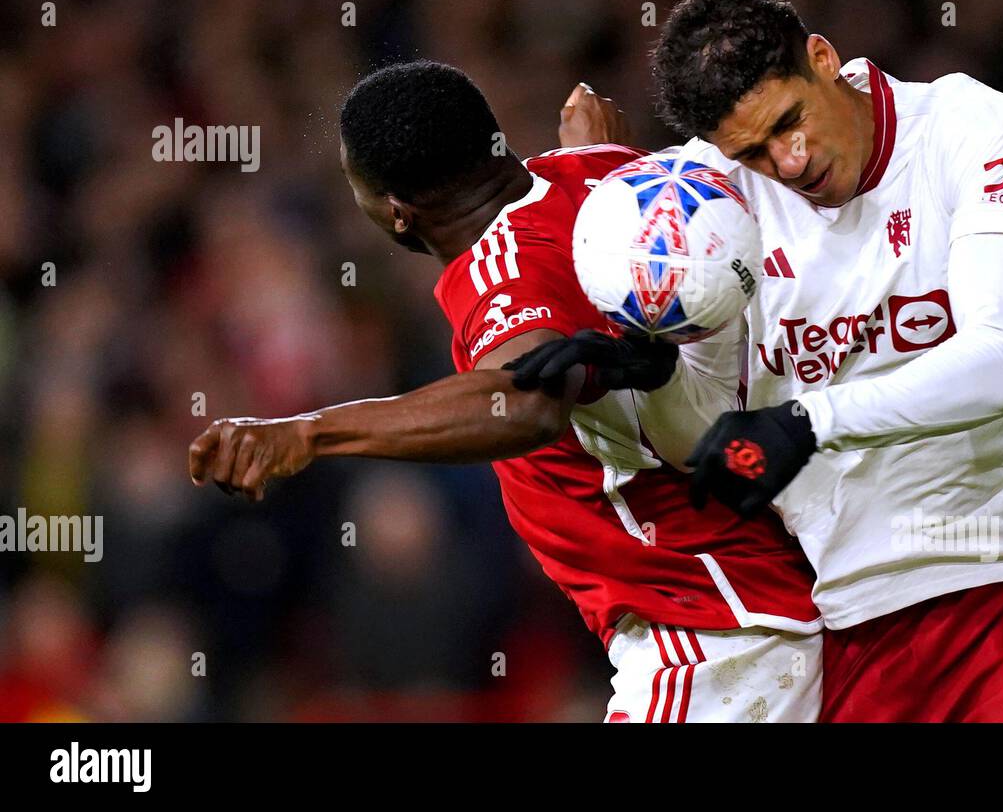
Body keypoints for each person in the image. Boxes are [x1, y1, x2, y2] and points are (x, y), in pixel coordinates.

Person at [512, 0, 1003, 722]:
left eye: (790, 122)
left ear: (824, 56)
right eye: (758, 151)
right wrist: (654, 378)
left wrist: (807, 420)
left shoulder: (971, 125)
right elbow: (710, 444)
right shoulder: (714, 205)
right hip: (854, 623)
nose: (791, 162)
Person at [187, 60, 822, 722]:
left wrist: (309, 431)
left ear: (398, 213)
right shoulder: (601, 180)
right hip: (752, 613)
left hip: (708, 637)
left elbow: (522, 402)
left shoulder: (501, 270)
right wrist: (599, 152)